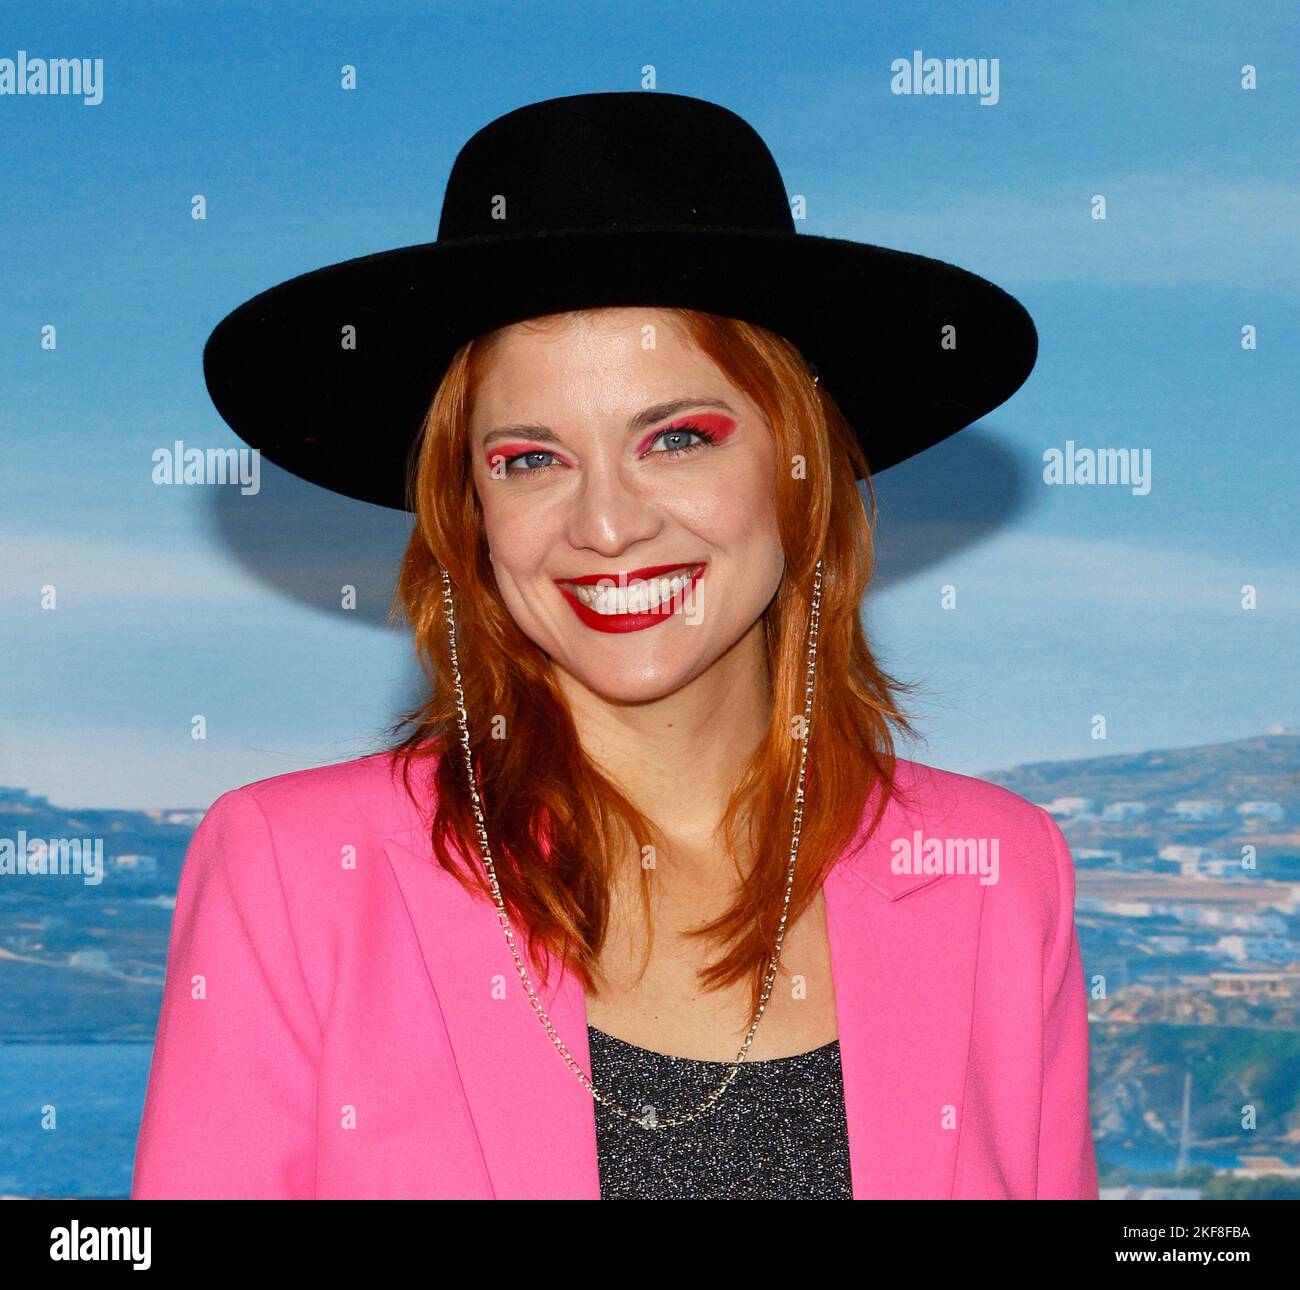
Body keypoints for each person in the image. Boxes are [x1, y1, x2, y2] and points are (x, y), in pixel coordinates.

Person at [131, 91, 1098, 1200]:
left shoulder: (998, 872)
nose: (606, 524)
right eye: (530, 459)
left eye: (677, 438)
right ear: (466, 508)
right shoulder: (294, 873)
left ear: (800, 467)